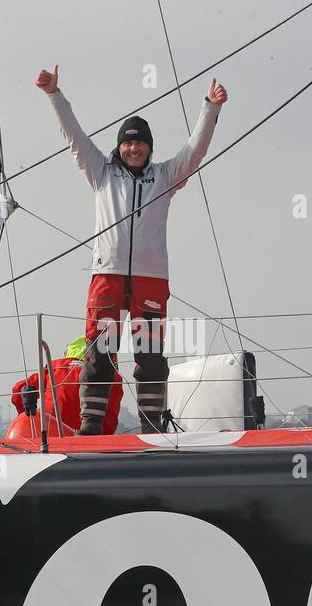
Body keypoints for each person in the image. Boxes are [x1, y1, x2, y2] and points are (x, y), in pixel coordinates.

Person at [36, 64, 227, 434]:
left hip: (150, 282)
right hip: (106, 279)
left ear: (149, 148)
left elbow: (195, 150)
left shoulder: (166, 177)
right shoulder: (101, 172)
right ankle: (92, 426)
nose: (133, 147)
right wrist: (54, 95)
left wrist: (210, 107)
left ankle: (152, 426)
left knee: (151, 357)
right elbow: (74, 136)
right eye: (127, 142)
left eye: (139, 142)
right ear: (119, 146)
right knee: (100, 355)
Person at [10, 336, 123, 437]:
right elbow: (110, 418)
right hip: (90, 436)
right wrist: (103, 439)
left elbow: (18, 390)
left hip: (50, 432)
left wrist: (28, 417)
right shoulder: (113, 377)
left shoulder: (54, 367)